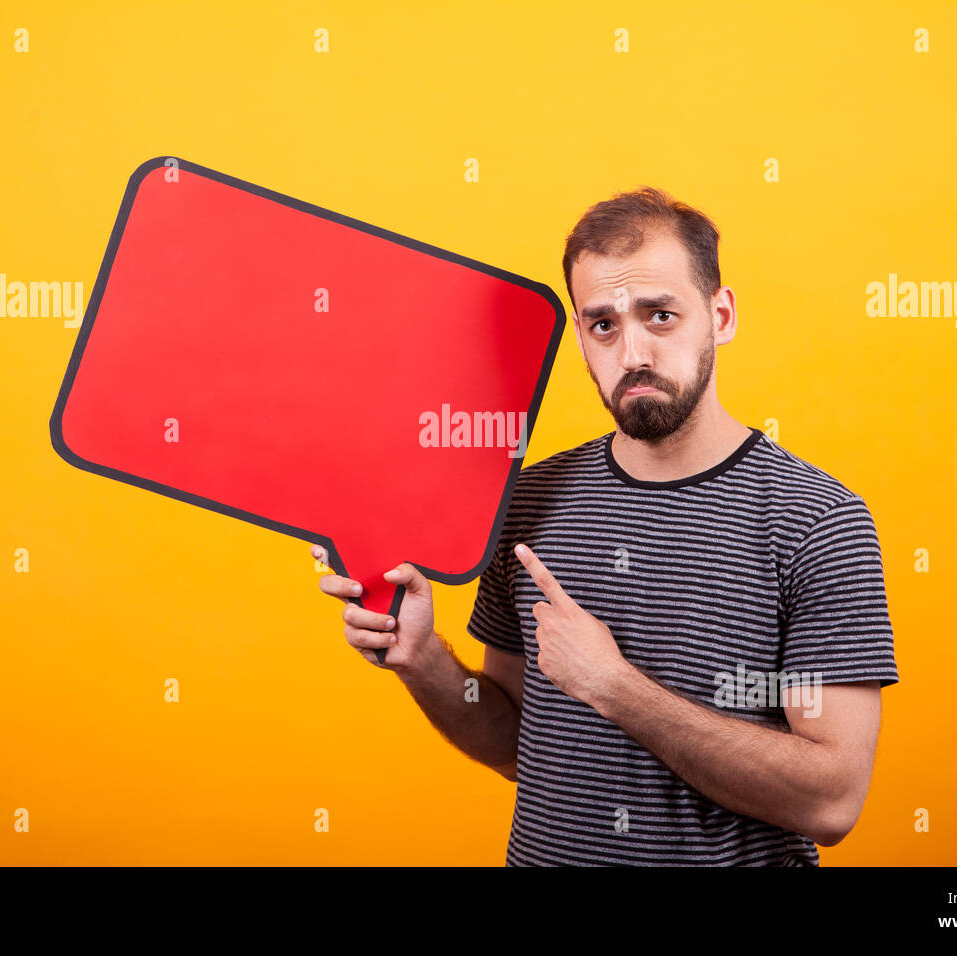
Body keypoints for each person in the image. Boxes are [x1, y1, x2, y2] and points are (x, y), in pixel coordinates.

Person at [312, 186, 899, 866]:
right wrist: (424, 663)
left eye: (660, 315)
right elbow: (511, 744)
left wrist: (614, 686)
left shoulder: (818, 521)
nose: (633, 354)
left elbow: (830, 802)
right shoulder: (528, 503)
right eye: (603, 325)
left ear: (722, 315)